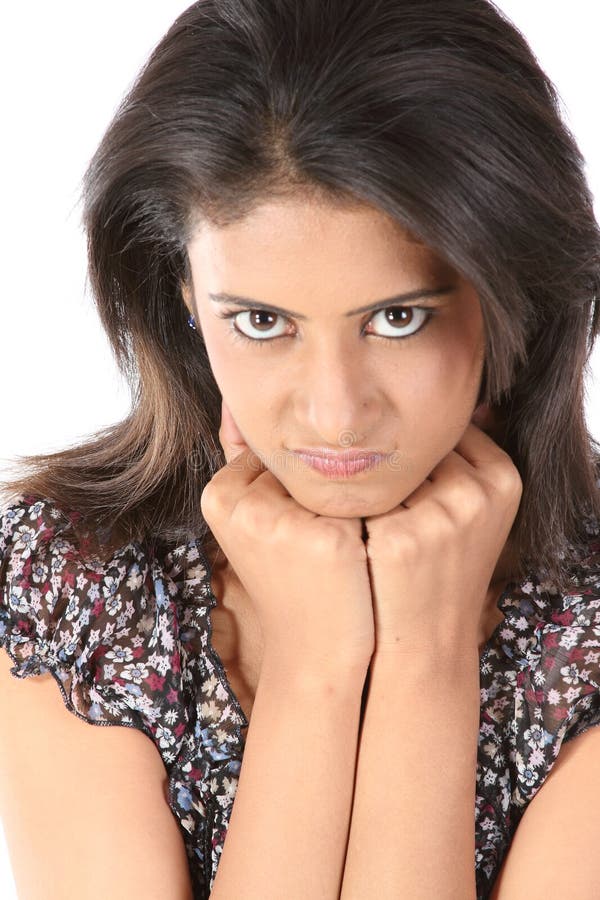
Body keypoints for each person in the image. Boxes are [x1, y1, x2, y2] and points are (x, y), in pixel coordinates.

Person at [1, 1, 600, 898]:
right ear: (187, 300)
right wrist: (318, 669)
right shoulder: (75, 580)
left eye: (398, 318)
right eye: (263, 321)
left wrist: (426, 664)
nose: (335, 414)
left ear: (512, 291)